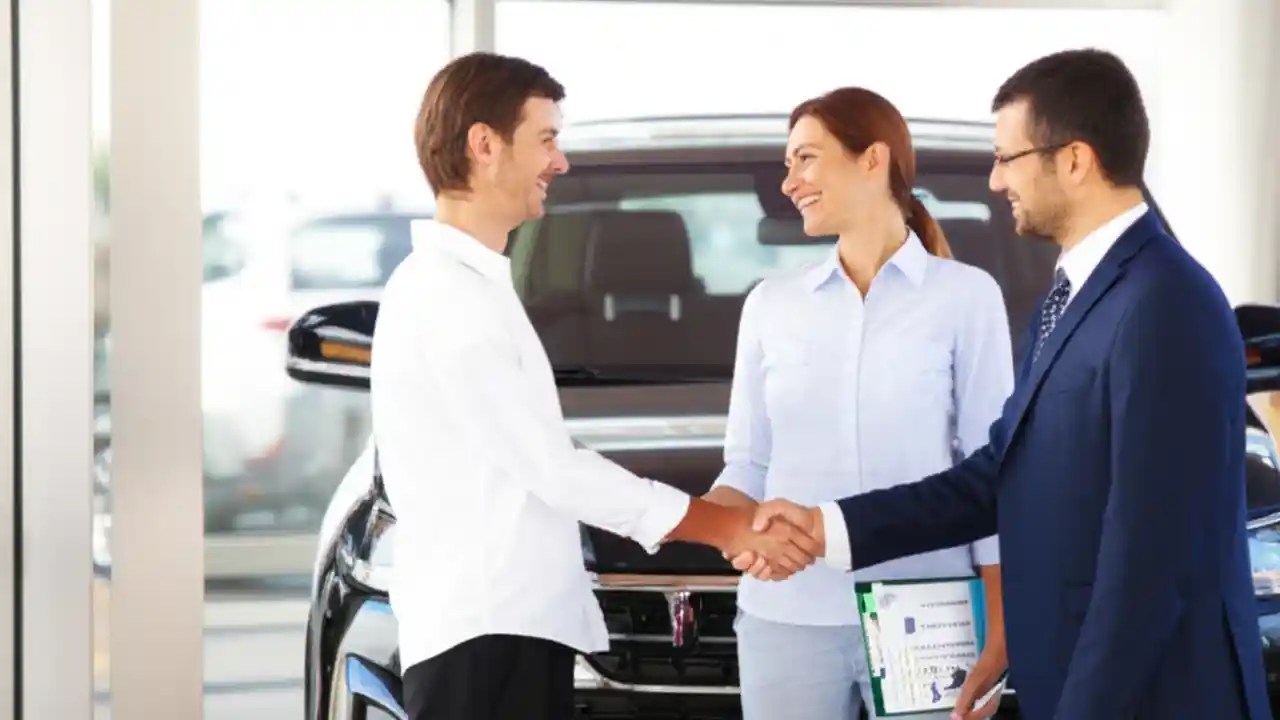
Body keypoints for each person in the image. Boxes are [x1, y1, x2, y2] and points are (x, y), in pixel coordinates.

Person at [738, 49, 1273, 720]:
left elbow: (1150, 564)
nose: (996, 180)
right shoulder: (1078, 297)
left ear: (1073, 161)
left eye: (1007, 159)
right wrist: (829, 526)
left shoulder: (1165, 302)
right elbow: (1001, 474)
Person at [370, 51, 819, 720]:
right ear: (485, 145)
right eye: (545, 139)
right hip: (487, 639)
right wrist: (724, 525)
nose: (559, 162)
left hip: (506, 631)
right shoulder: (450, 300)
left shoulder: (467, 288)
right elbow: (552, 469)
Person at [701, 87, 1014, 720]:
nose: (790, 182)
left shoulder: (966, 297)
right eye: (789, 163)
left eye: (806, 158)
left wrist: (1001, 627)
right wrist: (717, 526)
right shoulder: (770, 305)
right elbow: (748, 464)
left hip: (929, 615)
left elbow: (993, 474)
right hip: (787, 617)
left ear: (873, 158)